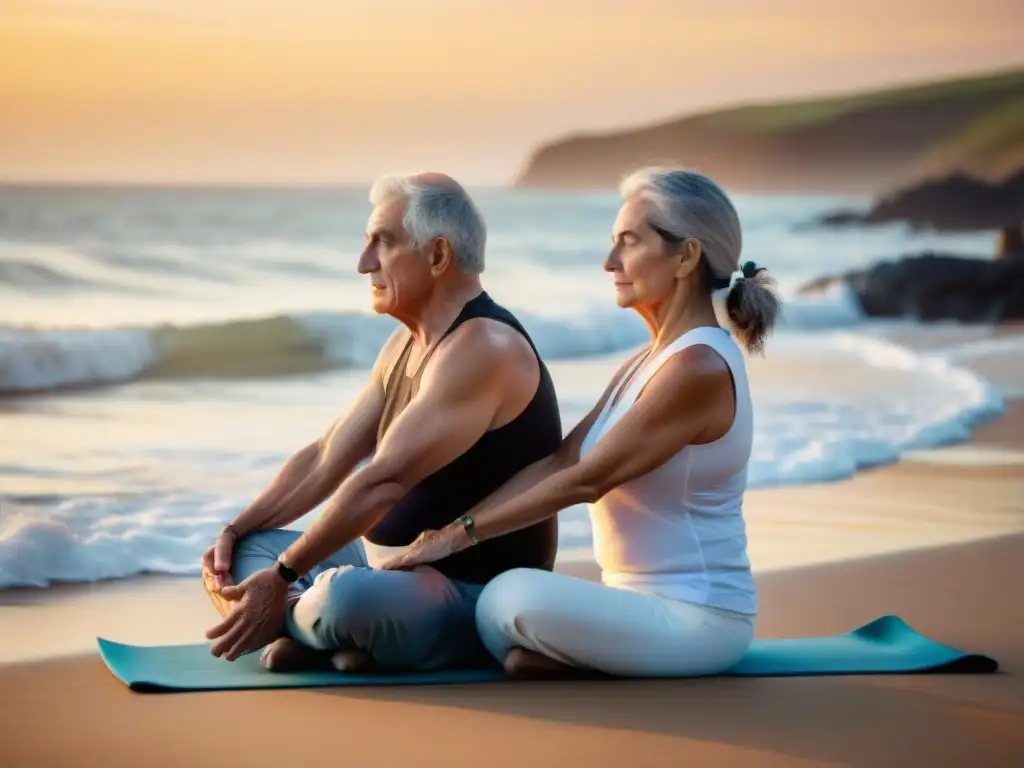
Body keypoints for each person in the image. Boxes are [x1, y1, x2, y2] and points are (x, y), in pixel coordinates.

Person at [380, 166, 782, 678]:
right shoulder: (645, 363)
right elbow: (562, 461)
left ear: (685, 256)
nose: (609, 261)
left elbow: (588, 479)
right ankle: (540, 654)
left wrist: (457, 537)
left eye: (629, 243)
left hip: (699, 619)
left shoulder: (698, 368)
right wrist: (441, 534)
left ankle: (512, 649)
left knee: (509, 597)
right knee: (504, 597)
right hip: (634, 606)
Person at [200, 172, 562, 673]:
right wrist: (236, 529)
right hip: (378, 566)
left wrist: (282, 576)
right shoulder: (405, 344)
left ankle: (311, 624)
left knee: (345, 600)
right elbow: (326, 457)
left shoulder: (484, 347)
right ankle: (323, 632)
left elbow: (382, 482)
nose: (363, 262)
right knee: (239, 554)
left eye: (383, 242)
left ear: (438, 256)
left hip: (463, 589)